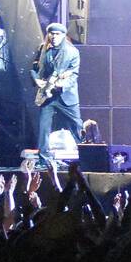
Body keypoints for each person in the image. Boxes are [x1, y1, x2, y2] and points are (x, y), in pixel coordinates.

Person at [30, 23, 81, 169]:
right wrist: (36, 80)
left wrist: (60, 84)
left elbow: (73, 76)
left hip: (66, 96)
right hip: (47, 96)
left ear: (64, 35)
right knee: (43, 128)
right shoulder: (42, 49)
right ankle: (43, 160)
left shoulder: (72, 52)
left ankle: (86, 157)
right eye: (51, 34)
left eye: (57, 34)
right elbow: (33, 69)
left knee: (76, 126)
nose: (53, 37)